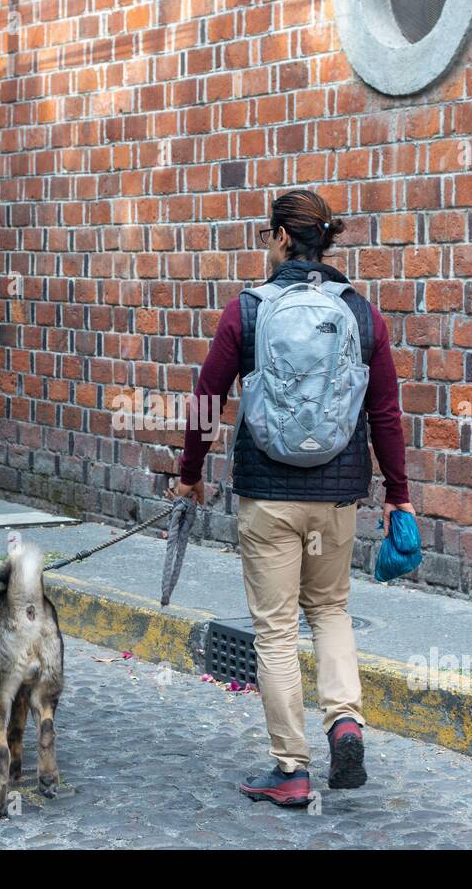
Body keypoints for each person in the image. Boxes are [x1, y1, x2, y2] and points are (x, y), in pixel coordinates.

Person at [172, 189, 414, 807]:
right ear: (324, 240)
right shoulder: (363, 316)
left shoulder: (247, 312)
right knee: (330, 610)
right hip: (336, 498)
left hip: (268, 496)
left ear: (281, 237)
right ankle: (346, 723)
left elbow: (207, 398)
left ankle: (292, 769)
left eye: (265, 235)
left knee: (275, 632)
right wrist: (398, 496)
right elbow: (384, 412)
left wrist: (189, 473)